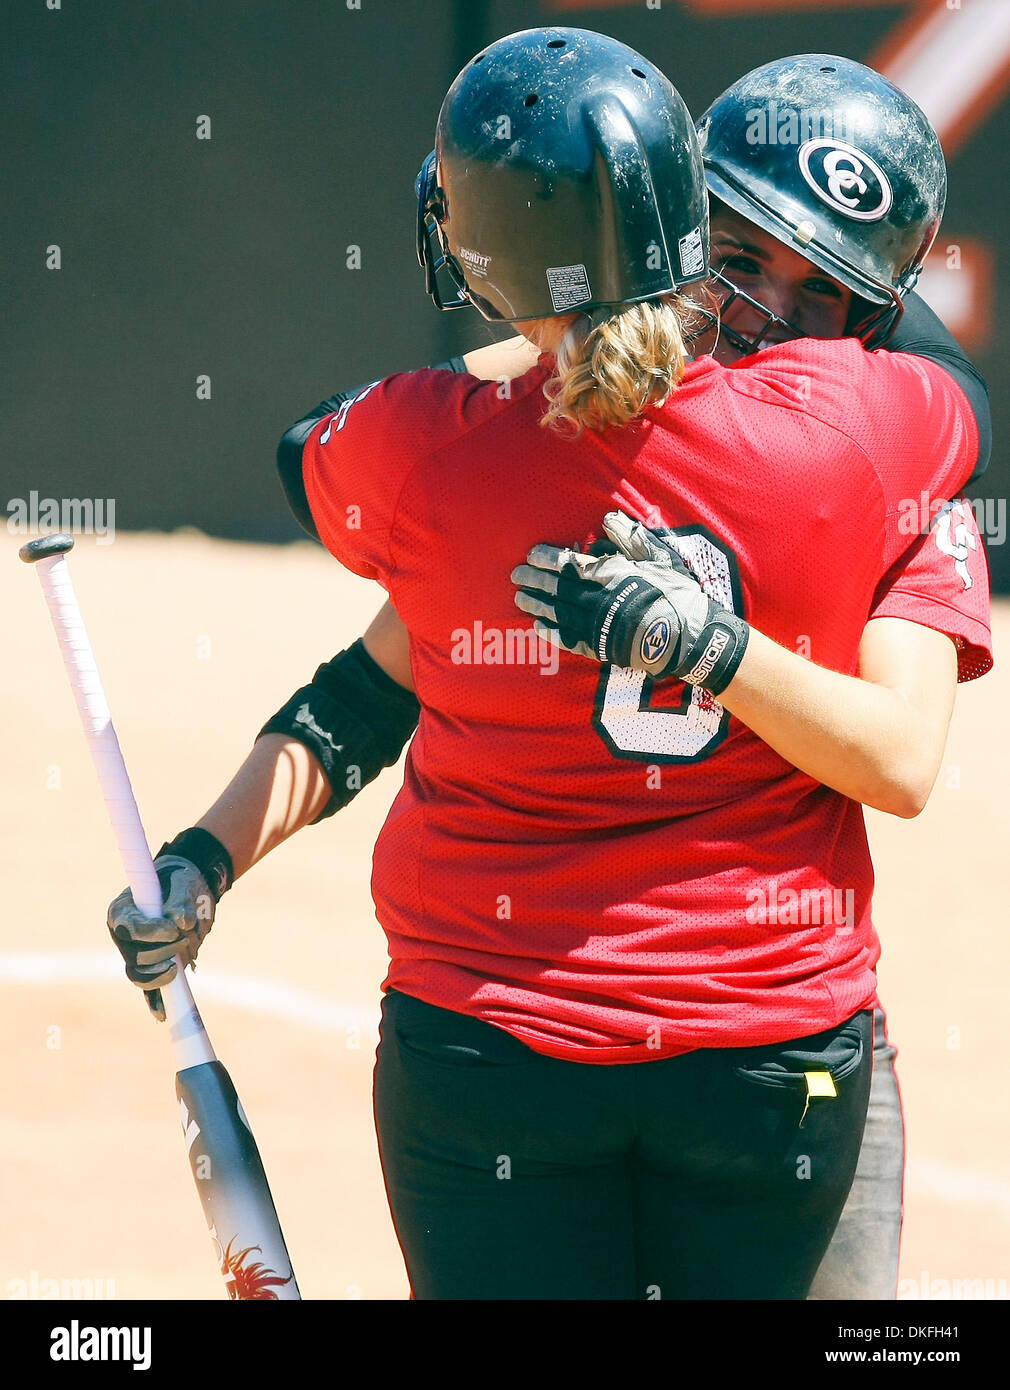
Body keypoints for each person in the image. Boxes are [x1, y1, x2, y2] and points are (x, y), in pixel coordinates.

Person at [107, 36, 990, 1299]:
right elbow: (373, 688)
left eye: (826, 297)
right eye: (739, 263)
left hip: (516, 1057)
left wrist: (702, 639)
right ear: (681, 230)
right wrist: (207, 852)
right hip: (755, 1062)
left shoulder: (457, 450)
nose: (773, 319)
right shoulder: (889, 444)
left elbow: (900, 757)